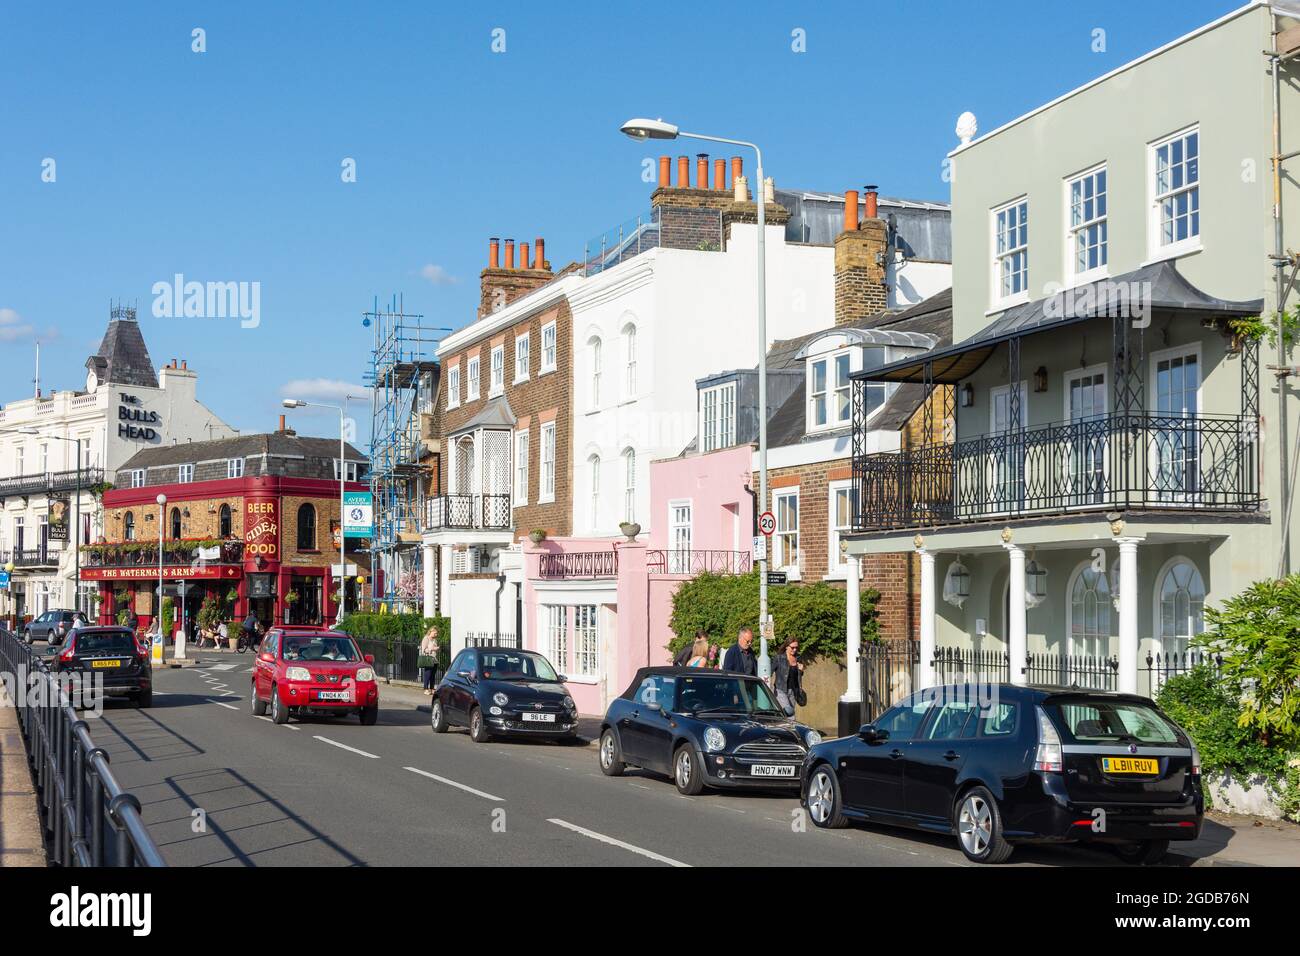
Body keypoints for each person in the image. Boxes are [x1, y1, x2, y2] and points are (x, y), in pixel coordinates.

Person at [770, 639, 806, 716]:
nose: (795, 649)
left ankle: (783, 727)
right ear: (786, 646)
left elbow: (797, 676)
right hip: (781, 690)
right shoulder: (779, 658)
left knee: (790, 713)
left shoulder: (798, 658)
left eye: (796, 647)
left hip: (793, 691)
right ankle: (791, 728)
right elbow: (769, 671)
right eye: (792, 647)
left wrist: (801, 670)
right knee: (788, 713)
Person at [419, 625, 441, 695]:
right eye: (435, 633)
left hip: (434, 659)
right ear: (431, 632)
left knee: (433, 675)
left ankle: (432, 688)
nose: (436, 635)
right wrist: (432, 649)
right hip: (428, 659)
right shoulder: (426, 638)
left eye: (436, 633)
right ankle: (426, 689)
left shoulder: (435, 640)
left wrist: (437, 648)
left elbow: (435, 648)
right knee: (427, 674)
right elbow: (424, 650)